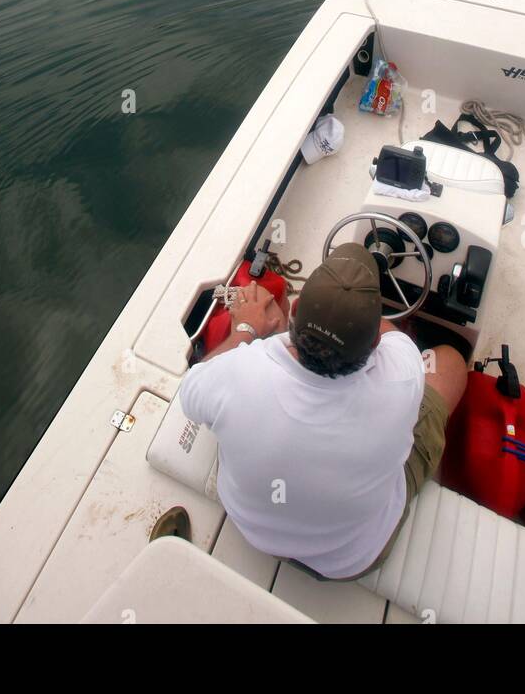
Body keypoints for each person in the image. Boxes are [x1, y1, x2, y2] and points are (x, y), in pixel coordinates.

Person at [179, 243, 467, 580]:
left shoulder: (238, 373)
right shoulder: (402, 373)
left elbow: (191, 389)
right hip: (351, 558)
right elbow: (392, 337)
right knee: (450, 362)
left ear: (294, 310)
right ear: (374, 341)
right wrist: (358, 314)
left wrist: (246, 330)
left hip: (254, 530)